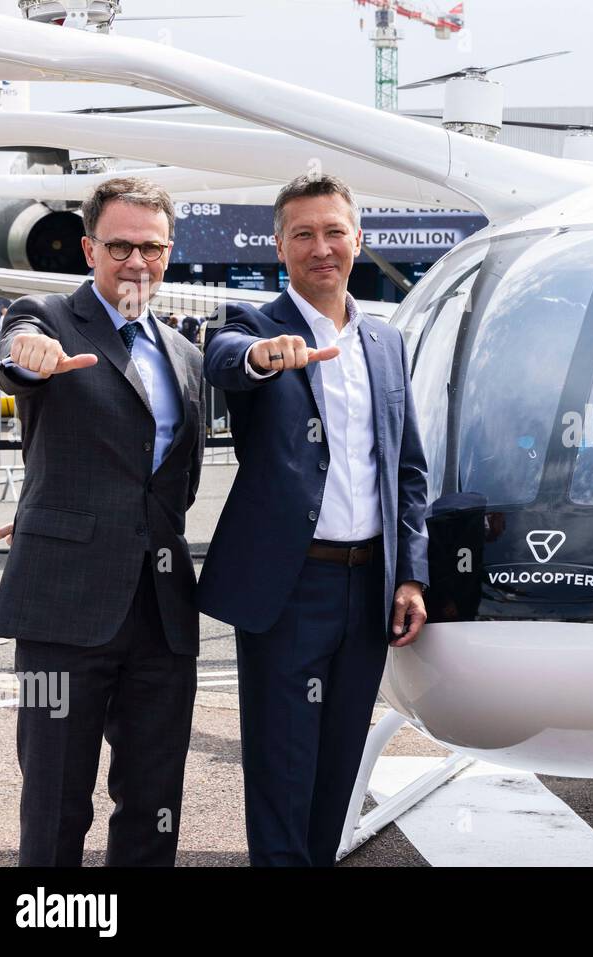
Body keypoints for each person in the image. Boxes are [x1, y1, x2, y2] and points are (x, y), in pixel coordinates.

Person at [198, 174, 430, 867]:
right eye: (303, 234)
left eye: (334, 231)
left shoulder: (385, 343)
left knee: (336, 770)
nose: (321, 247)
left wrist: (411, 575)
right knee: (280, 769)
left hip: (367, 591)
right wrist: (260, 359)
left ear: (358, 239)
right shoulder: (254, 326)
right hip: (291, 585)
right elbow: (223, 360)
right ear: (280, 247)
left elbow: (407, 471)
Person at [0, 177, 205, 866]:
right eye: (119, 246)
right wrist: (28, 356)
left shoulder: (187, 356)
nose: (136, 262)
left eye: (151, 246)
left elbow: (175, 483)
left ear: (170, 251)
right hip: (64, 609)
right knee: (55, 804)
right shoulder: (46, 318)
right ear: (89, 248)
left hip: (162, 614)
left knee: (153, 803)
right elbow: (15, 353)